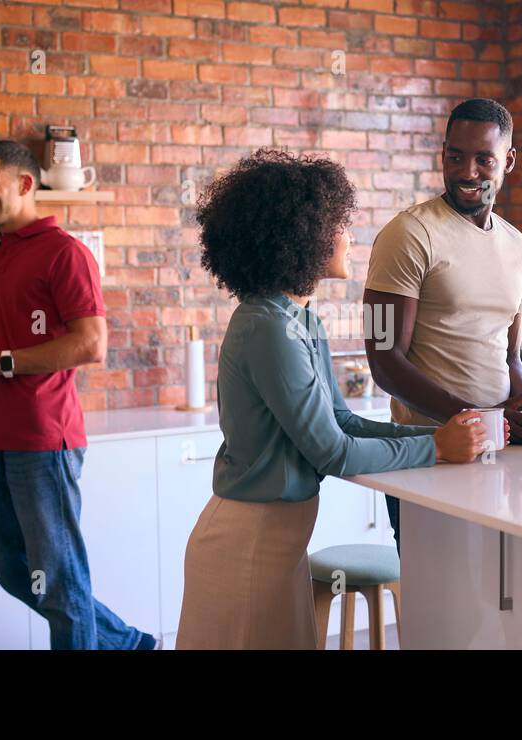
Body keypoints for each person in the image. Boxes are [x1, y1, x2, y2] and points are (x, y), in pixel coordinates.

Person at [177, 149, 488, 649]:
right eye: (338, 224)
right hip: (246, 545)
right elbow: (333, 451)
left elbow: (343, 421)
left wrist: (439, 435)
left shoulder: (301, 321)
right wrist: (438, 449)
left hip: (279, 544)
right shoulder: (266, 327)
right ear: (300, 234)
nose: (348, 236)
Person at [0, 141, 156, 649]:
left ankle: (127, 645)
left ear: (25, 184)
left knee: (59, 584)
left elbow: (90, 344)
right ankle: (129, 644)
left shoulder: (65, 252)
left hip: (45, 438)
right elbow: (13, 338)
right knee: (15, 573)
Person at [363, 98, 522, 548]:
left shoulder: (520, 249)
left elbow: (508, 356)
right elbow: (384, 360)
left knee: (494, 599)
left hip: (500, 456)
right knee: (442, 602)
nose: (468, 172)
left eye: (484, 159)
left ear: (509, 161)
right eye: (455, 156)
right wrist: (480, 419)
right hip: (428, 453)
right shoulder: (407, 235)